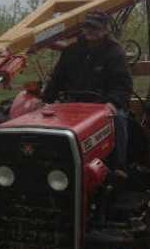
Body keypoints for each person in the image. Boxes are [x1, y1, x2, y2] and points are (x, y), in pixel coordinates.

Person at [42, 10, 133, 174]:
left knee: (118, 119)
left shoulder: (115, 52)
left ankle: (119, 167)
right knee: (47, 121)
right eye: (88, 27)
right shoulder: (71, 51)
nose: (91, 31)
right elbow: (57, 79)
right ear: (83, 28)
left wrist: (112, 103)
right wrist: (46, 100)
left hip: (104, 105)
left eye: (95, 27)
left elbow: (123, 85)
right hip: (73, 104)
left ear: (105, 29)